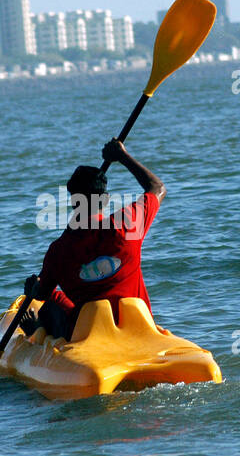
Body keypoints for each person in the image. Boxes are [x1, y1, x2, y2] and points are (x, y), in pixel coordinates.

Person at [19, 138, 165, 340]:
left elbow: (41, 294)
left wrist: (33, 289)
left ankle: (37, 332)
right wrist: (122, 156)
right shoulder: (128, 224)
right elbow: (156, 187)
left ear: (73, 201)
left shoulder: (59, 250)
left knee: (47, 309)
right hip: (139, 328)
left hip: (90, 337)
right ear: (105, 200)